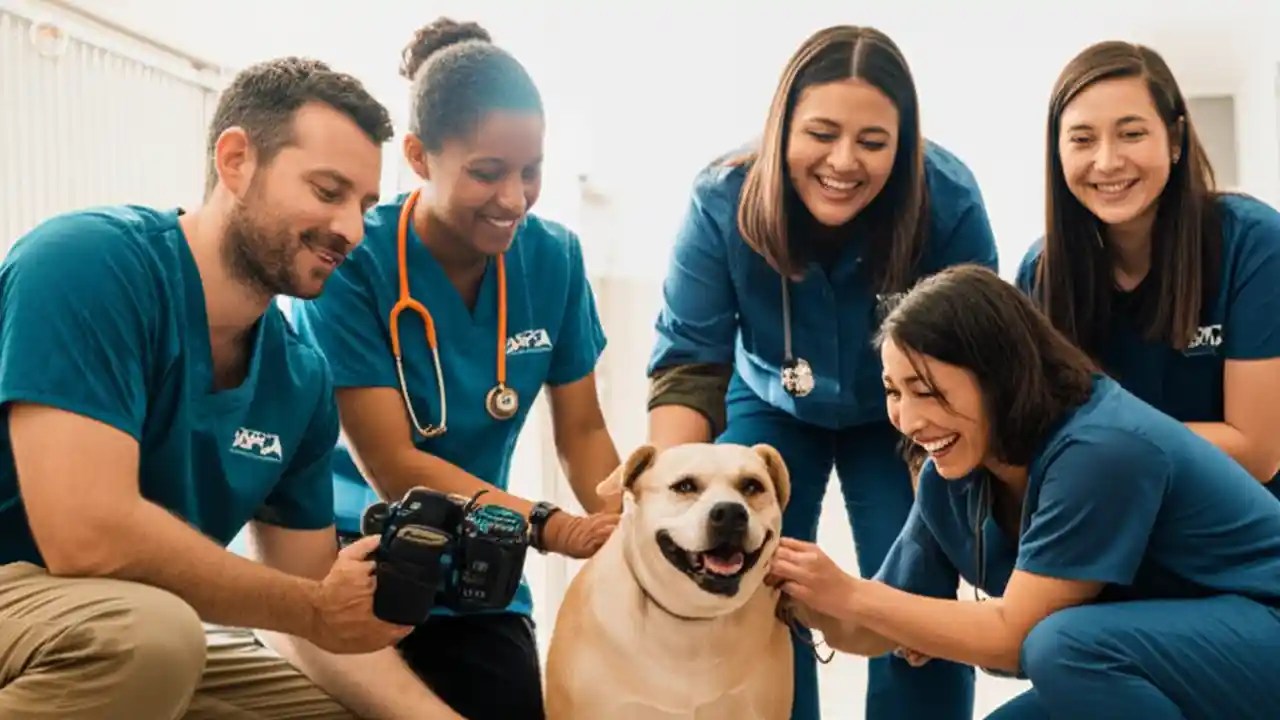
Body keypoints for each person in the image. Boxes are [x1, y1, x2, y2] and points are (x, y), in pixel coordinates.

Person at [0, 57, 470, 719]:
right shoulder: (88, 265)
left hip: (123, 628)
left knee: (330, 709)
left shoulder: (299, 378)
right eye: (328, 190)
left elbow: (310, 613)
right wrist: (311, 608)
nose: (352, 230)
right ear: (236, 160)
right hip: (58, 605)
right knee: (151, 636)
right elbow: (87, 538)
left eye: (364, 206)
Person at [644, 24, 998, 720]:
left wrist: (940, 520)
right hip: (770, 398)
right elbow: (689, 365)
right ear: (782, 128)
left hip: (907, 418)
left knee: (915, 593)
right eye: (821, 133)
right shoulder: (721, 199)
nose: (844, 162)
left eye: (873, 142)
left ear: (903, 145)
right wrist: (674, 496)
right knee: (755, 578)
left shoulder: (949, 202)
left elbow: (974, 375)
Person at [289, 18, 621, 720]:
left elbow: (584, 430)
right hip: (353, 560)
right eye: (486, 173)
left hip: (479, 571)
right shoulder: (355, 261)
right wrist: (552, 526)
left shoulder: (553, 259)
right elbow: (390, 461)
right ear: (417, 155)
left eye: (530, 171)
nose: (514, 198)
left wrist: (631, 532)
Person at [770, 263, 1280, 720]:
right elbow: (877, 623)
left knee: (1060, 647)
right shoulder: (952, 474)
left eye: (927, 392)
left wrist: (853, 595)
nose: (909, 419)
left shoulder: (1100, 449)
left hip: (1262, 630)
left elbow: (1014, 639)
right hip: (1160, 660)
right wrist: (803, 594)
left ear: (1000, 378)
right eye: (893, 391)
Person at [1016, 41, 1280, 499]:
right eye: (1082, 139)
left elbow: (1257, 452)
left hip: (1241, 525)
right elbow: (1033, 437)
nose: (1107, 161)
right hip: (1115, 522)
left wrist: (1092, 439)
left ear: (1175, 140)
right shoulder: (1041, 272)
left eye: (1131, 134)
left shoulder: (1253, 243)